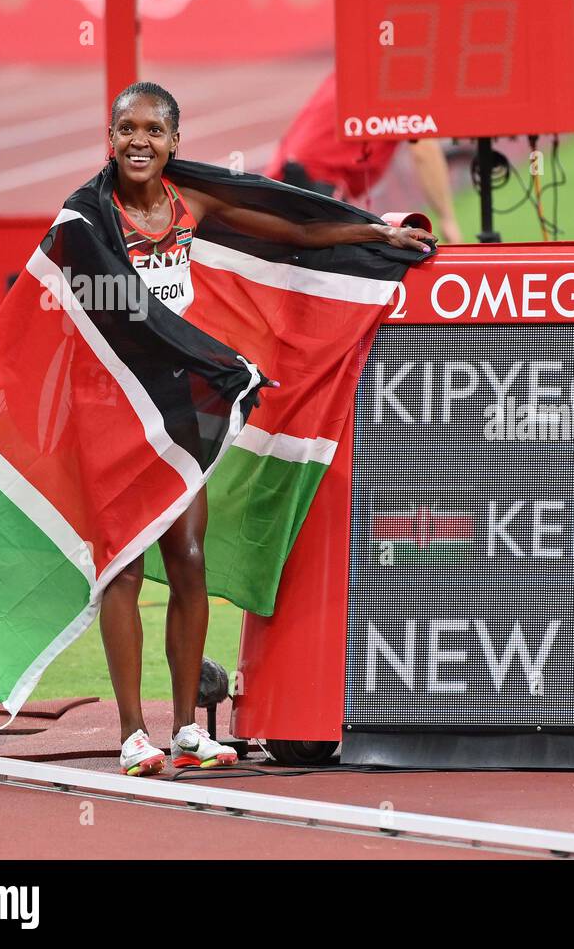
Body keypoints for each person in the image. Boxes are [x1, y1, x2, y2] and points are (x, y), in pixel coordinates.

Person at [103, 82, 434, 776]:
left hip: (178, 413)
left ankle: (186, 731)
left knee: (188, 560)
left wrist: (374, 232)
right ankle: (133, 733)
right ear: (112, 138)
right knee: (124, 566)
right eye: (127, 129)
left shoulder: (192, 204)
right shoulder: (87, 218)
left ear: (174, 143)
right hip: (117, 411)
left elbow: (299, 233)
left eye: (154, 131)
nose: (141, 141)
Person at [266, 72, 463, 244]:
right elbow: (424, 152)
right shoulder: (403, 82)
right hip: (311, 184)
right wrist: (447, 219)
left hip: (287, 178)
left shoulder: (360, 71)